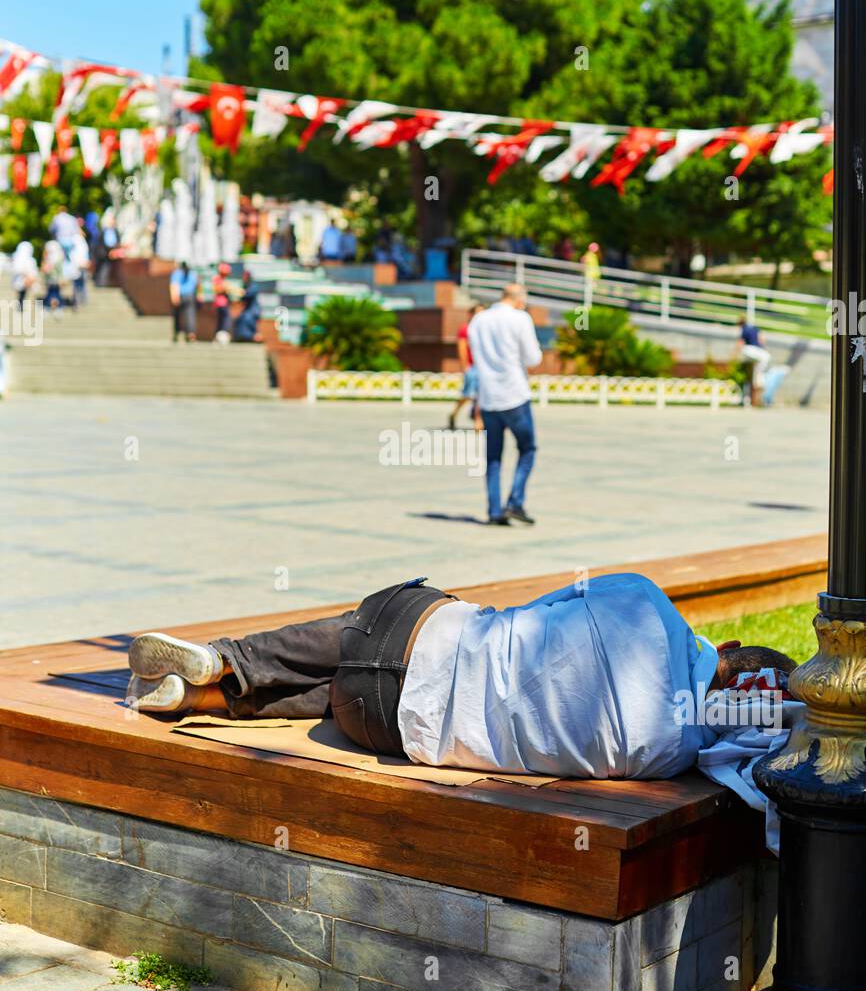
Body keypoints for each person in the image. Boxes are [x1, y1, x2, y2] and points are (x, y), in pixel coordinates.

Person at [124, 571, 797, 799]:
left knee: (412, 626)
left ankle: (219, 662)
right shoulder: (670, 753)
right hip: (387, 727)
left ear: (729, 647)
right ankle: (204, 697)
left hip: (402, 633)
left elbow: (537, 613)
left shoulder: (645, 600)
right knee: (349, 690)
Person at [468, 283, 542, 526]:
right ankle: (515, 501)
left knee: (493, 457)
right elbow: (533, 358)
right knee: (527, 449)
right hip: (514, 396)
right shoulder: (520, 318)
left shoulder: (478, 320)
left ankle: (494, 510)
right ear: (519, 300)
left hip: (488, 398)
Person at [448, 304, 484, 432]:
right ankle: (454, 413)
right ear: (471, 314)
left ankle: (478, 420)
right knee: (468, 394)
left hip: (483, 367)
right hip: (471, 367)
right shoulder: (465, 330)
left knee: (482, 394)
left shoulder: (484, 330)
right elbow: (462, 350)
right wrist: (466, 368)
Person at [737, 316, 772, 406]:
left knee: (758, 364)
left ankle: (758, 375)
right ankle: (758, 375)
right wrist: (763, 347)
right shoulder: (754, 328)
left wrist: (734, 353)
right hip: (758, 351)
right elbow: (762, 337)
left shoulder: (744, 329)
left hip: (751, 350)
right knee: (764, 360)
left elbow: (741, 342)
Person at [169, 261, 198, 342]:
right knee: (190, 315)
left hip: (180, 296)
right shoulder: (192, 273)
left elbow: (174, 285)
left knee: (177, 316)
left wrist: (174, 297)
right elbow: (196, 285)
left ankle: (177, 332)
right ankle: (191, 333)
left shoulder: (177, 273)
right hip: (190, 296)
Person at [232, 270, 261, 343]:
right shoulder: (245, 285)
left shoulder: (253, 285)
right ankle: (242, 336)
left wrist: (241, 292)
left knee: (247, 319)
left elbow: (249, 294)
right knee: (240, 319)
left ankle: (253, 336)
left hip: (253, 309)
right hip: (247, 309)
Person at [41, 239, 65, 315]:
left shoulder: (58, 258)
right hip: (50, 280)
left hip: (56, 280)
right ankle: (48, 307)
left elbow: (60, 271)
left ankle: (58, 308)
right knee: (50, 293)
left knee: (56, 294)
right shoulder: (50, 257)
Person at [11, 241, 37, 309]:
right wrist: (27, 276)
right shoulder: (18, 258)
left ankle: (21, 304)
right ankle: (20, 305)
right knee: (21, 293)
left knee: (24, 293)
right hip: (21, 279)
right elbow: (18, 269)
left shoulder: (28, 259)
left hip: (27, 279)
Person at [212, 263, 233, 343]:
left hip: (225, 303)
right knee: (224, 320)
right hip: (221, 303)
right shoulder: (217, 279)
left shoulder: (224, 280)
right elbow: (216, 289)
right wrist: (225, 288)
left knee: (223, 320)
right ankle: (221, 336)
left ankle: (219, 336)